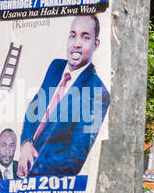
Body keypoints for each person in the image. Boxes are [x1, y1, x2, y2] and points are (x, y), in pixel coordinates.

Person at [16, 14, 110, 178]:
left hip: (47, 185)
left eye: (85, 37)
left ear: (96, 44)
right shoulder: (56, 67)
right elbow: (33, 110)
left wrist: (32, 163)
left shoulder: (97, 93)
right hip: (20, 173)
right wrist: (25, 143)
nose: (76, 44)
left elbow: (74, 160)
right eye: (72, 36)